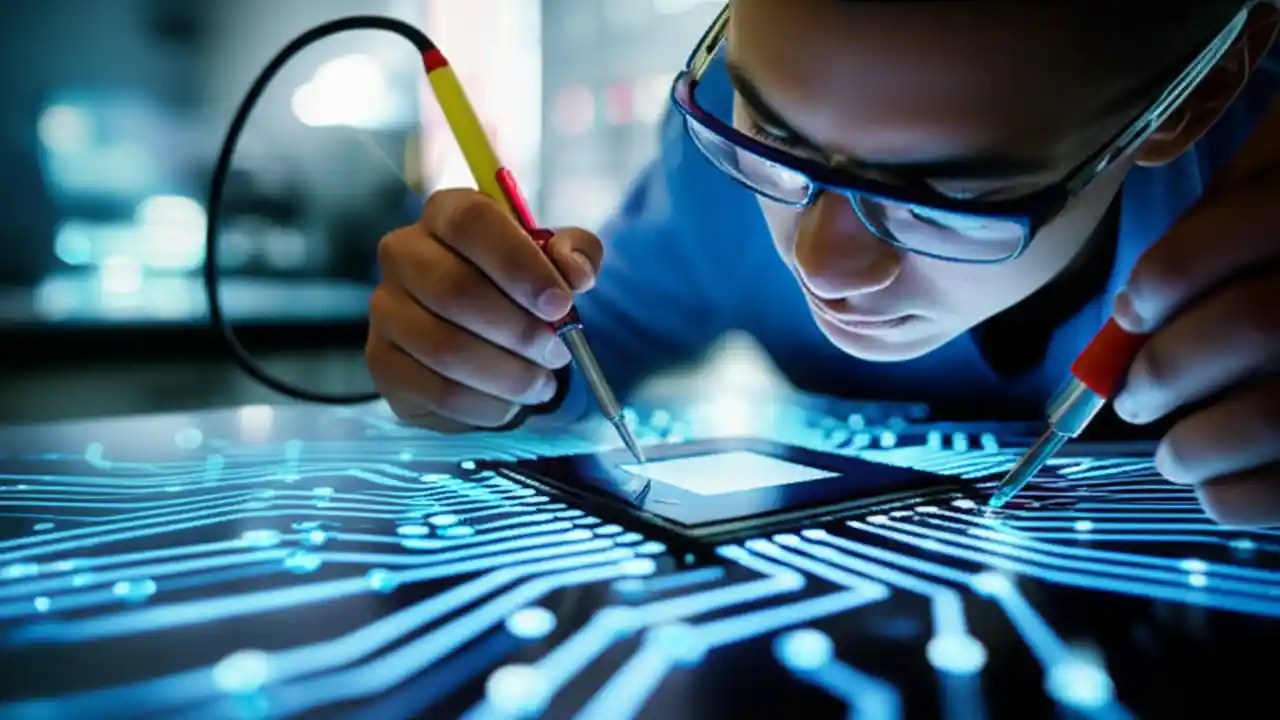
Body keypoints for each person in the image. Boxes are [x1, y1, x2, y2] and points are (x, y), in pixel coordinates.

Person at [365, 0, 1280, 526]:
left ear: (1192, 103)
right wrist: (480, 340)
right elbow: (576, 352)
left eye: (948, 193)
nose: (826, 264)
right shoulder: (712, 159)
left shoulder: (1254, 189)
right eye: (774, 131)